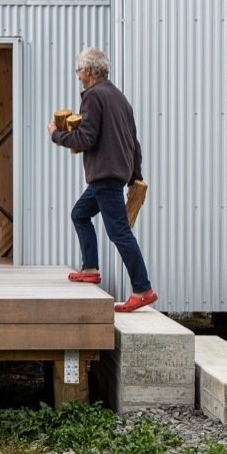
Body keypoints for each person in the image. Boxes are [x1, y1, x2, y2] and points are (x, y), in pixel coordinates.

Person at [48, 47, 156, 313]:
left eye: (79, 70)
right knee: (80, 214)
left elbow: (86, 138)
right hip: (112, 176)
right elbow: (134, 144)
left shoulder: (93, 96)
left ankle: (142, 289)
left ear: (89, 71)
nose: (78, 76)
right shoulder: (121, 99)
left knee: (119, 232)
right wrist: (135, 177)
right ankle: (90, 269)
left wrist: (56, 135)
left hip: (105, 175)